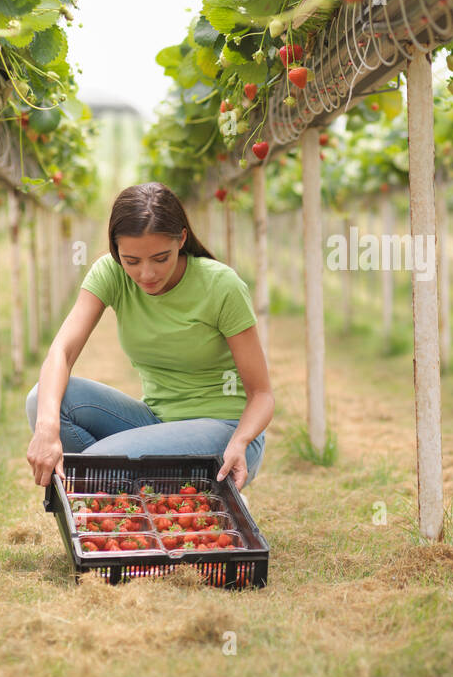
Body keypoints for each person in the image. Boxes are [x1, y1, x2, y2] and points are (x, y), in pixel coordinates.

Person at [25, 182, 272, 491]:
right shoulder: (110, 272)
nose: (146, 274)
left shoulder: (222, 286)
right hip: (156, 422)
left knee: (102, 462)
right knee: (42, 401)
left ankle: (149, 491)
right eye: (132, 261)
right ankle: (149, 495)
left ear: (182, 238)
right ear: (116, 250)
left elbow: (262, 394)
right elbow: (61, 351)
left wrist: (241, 441)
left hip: (226, 432)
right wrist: (46, 430)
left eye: (160, 258)